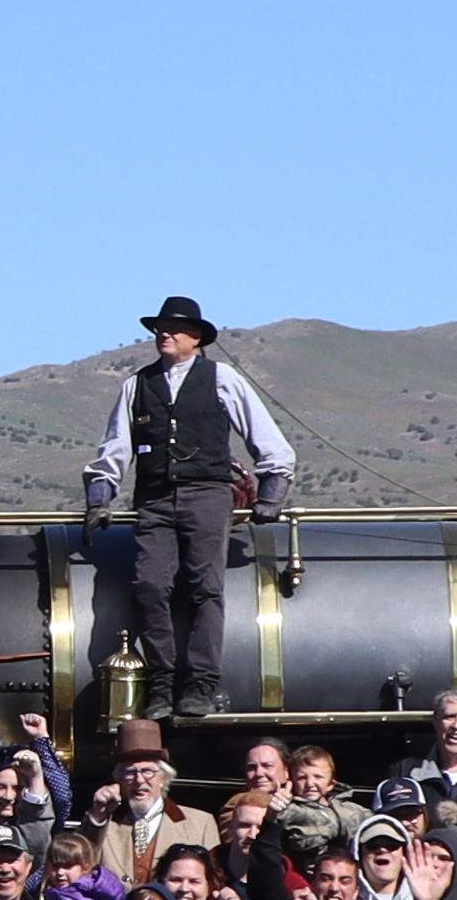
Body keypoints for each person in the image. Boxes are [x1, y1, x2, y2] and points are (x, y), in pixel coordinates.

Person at [75, 298, 296, 716]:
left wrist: (271, 493)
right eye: (160, 327)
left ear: (197, 338)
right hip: (155, 500)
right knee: (149, 586)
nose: (165, 334)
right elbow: (115, 449)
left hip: (208, 496)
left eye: (175, 328)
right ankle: (160, 683)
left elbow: (266, 437)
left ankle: (200, 684)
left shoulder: (221, 378)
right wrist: (99, 499)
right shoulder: (136, 385)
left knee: (206, 588)